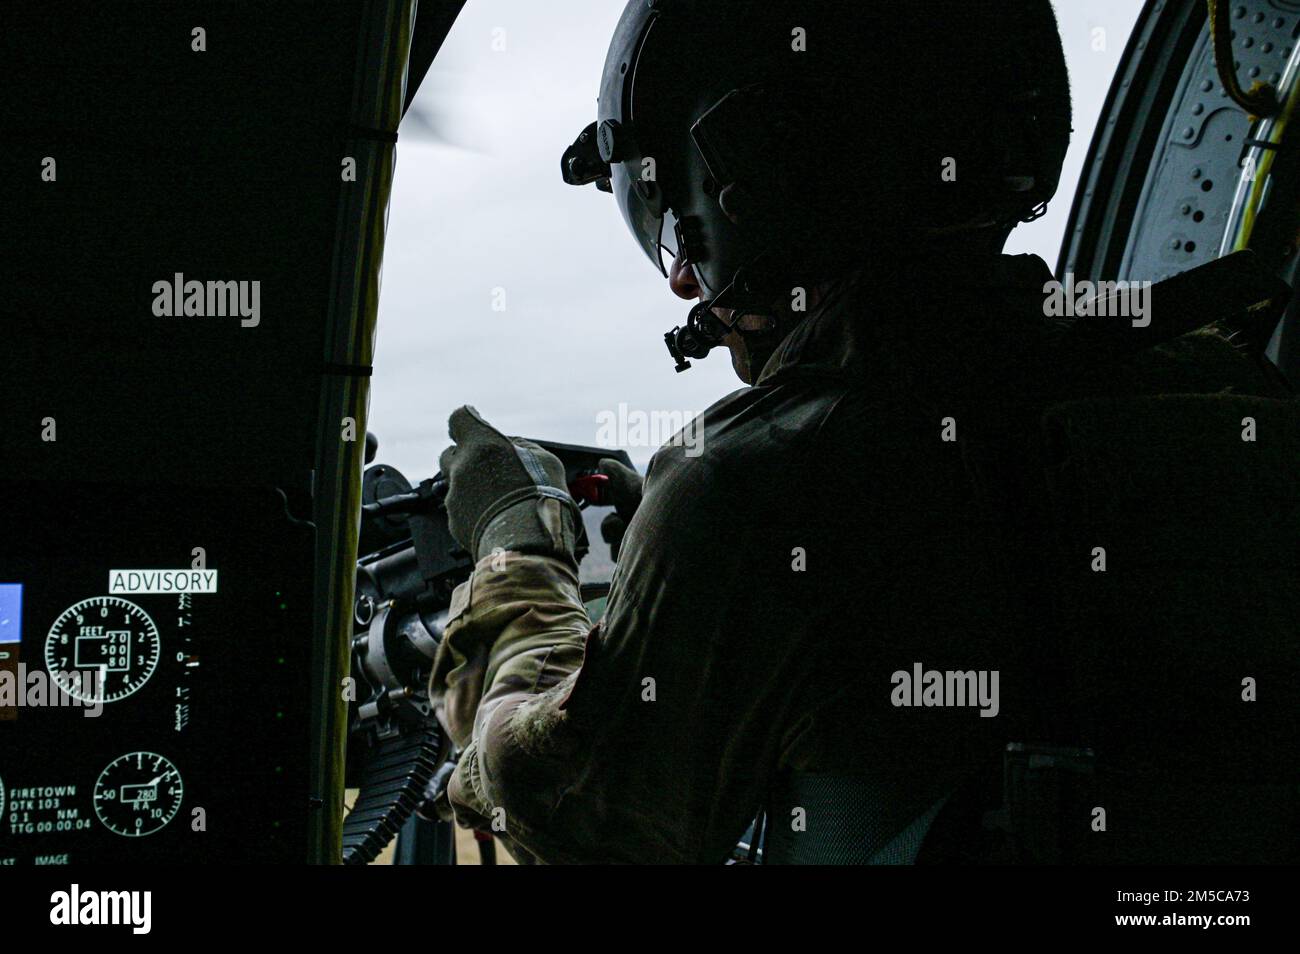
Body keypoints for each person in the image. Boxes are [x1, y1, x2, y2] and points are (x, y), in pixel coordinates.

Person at [428, 0, 1298, 863]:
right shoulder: (1223, 385)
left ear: (748, 175)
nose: (684, 284)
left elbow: (571, 814)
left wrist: (516, 554)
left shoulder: (767, 486)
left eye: (672, 217)